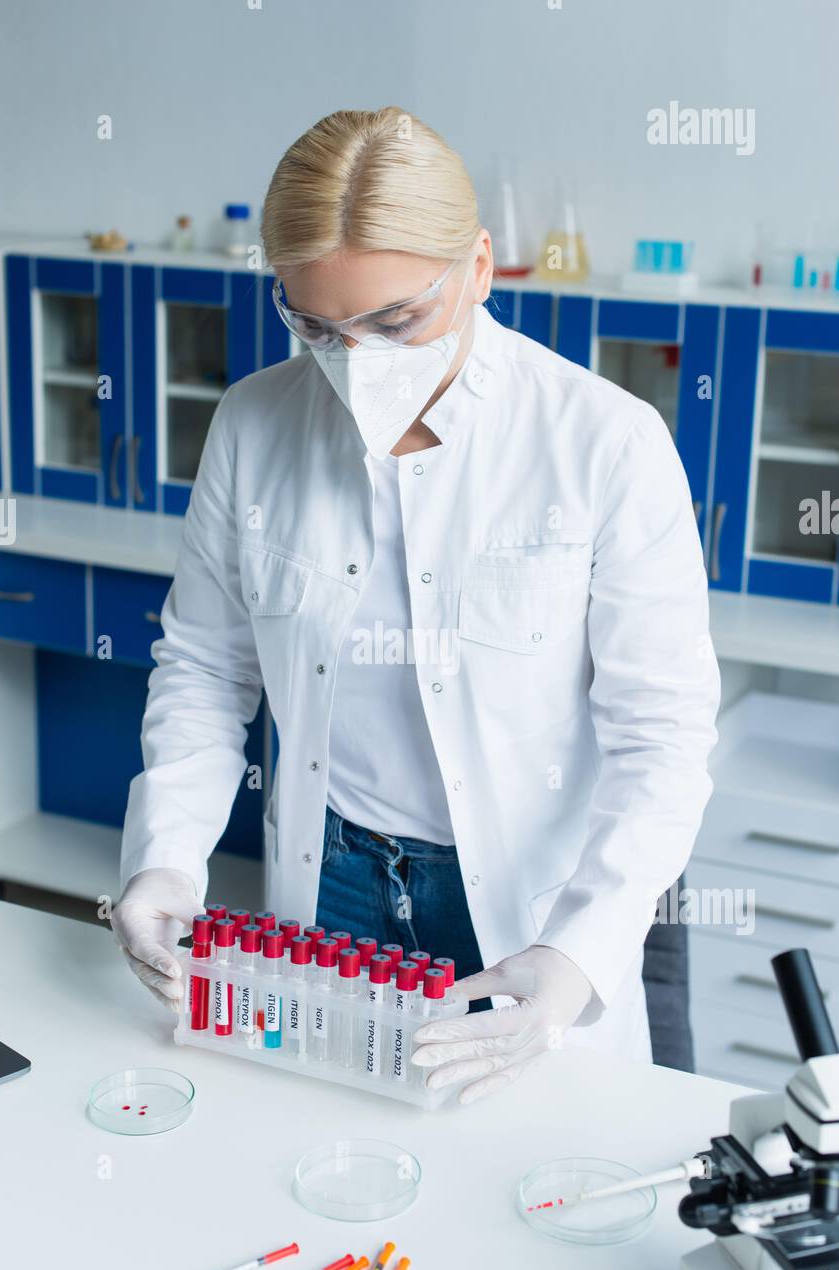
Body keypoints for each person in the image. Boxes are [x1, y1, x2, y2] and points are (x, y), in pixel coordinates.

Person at [113, 107, 720, 1104]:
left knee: (524, 1176)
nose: (356, 362)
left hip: (530, 906)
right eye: (316, 326)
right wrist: (166, 866)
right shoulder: (255, 426)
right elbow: (204, 671)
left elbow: (664, 740)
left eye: (396, 322)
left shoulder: (606, 445)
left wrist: (575, 961)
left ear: (478, 266)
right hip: (333, 880)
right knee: (327, 1141)